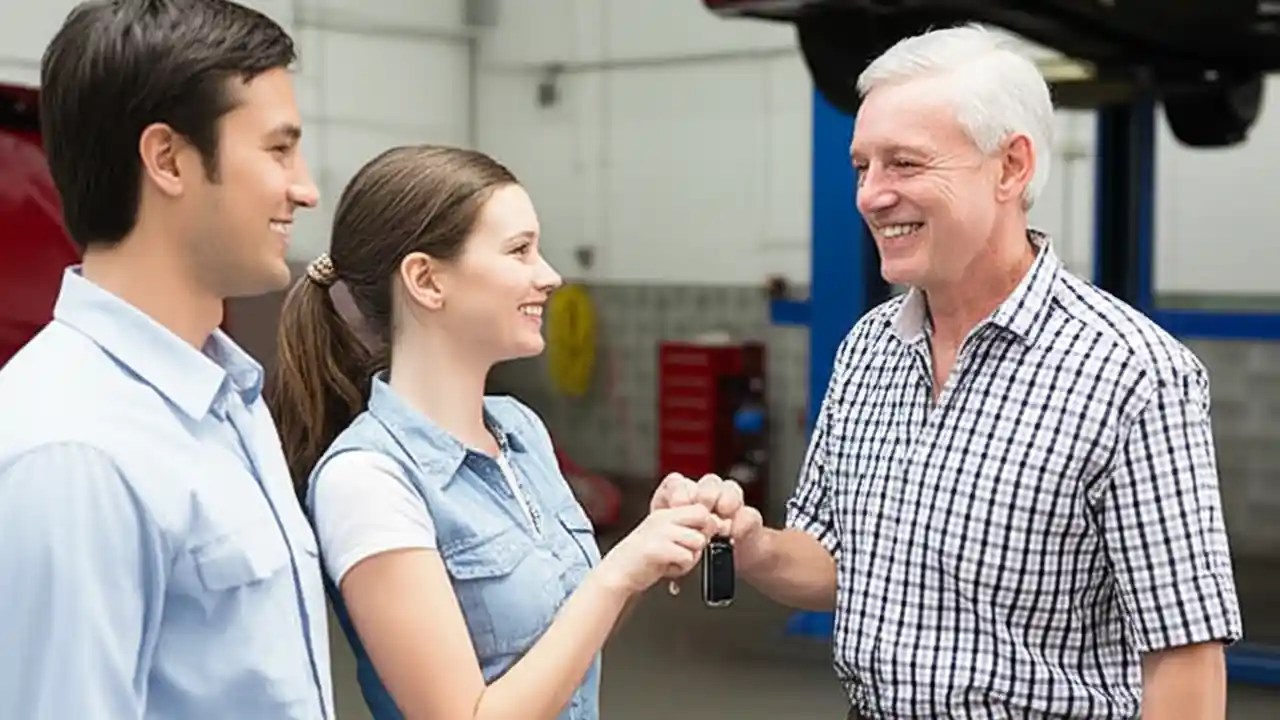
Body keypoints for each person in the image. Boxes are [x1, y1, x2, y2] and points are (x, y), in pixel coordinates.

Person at [653, 24, 1242, 720]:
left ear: (1010, 168)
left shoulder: (1132, 375)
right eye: (861, 166)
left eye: (903, 163)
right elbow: (839, 563)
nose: (871, 196)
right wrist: (752, 544)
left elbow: (1185, 660)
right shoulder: (870, 348)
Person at [268, 144, 723, 720]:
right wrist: (616, 572)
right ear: (426, 280)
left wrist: (653, 545)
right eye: (519, 251)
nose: (550, 275)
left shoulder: (520, 430)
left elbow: (563, 636)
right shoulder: (366, 481)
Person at [0, 1, 331, 718]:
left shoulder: (230, 400)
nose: (304, 188)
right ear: (168, 159)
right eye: (278, 150)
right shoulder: (74, 453)